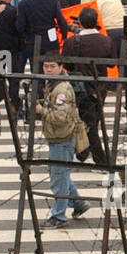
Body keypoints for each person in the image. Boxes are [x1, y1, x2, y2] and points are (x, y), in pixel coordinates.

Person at [35, 54, 88, 229]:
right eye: (45, 66)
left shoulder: (61, 89)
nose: (48, 69)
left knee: (59, 178)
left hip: (62, 138)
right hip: (58, 137)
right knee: (60, 174)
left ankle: (59, 216)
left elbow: (60, 117)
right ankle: (78, 204)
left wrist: (41, 110)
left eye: (52, 66)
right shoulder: (54, 84)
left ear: (60, 66)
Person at [60, 6, 115, 166]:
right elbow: (112, 63)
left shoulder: (72, 42)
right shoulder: (106, 41)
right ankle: (88, 153)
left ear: (81, 23)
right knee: (93, 120)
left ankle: (94, 156)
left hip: (81, 87)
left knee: (89, 122)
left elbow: (66, 65)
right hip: (101, 86)